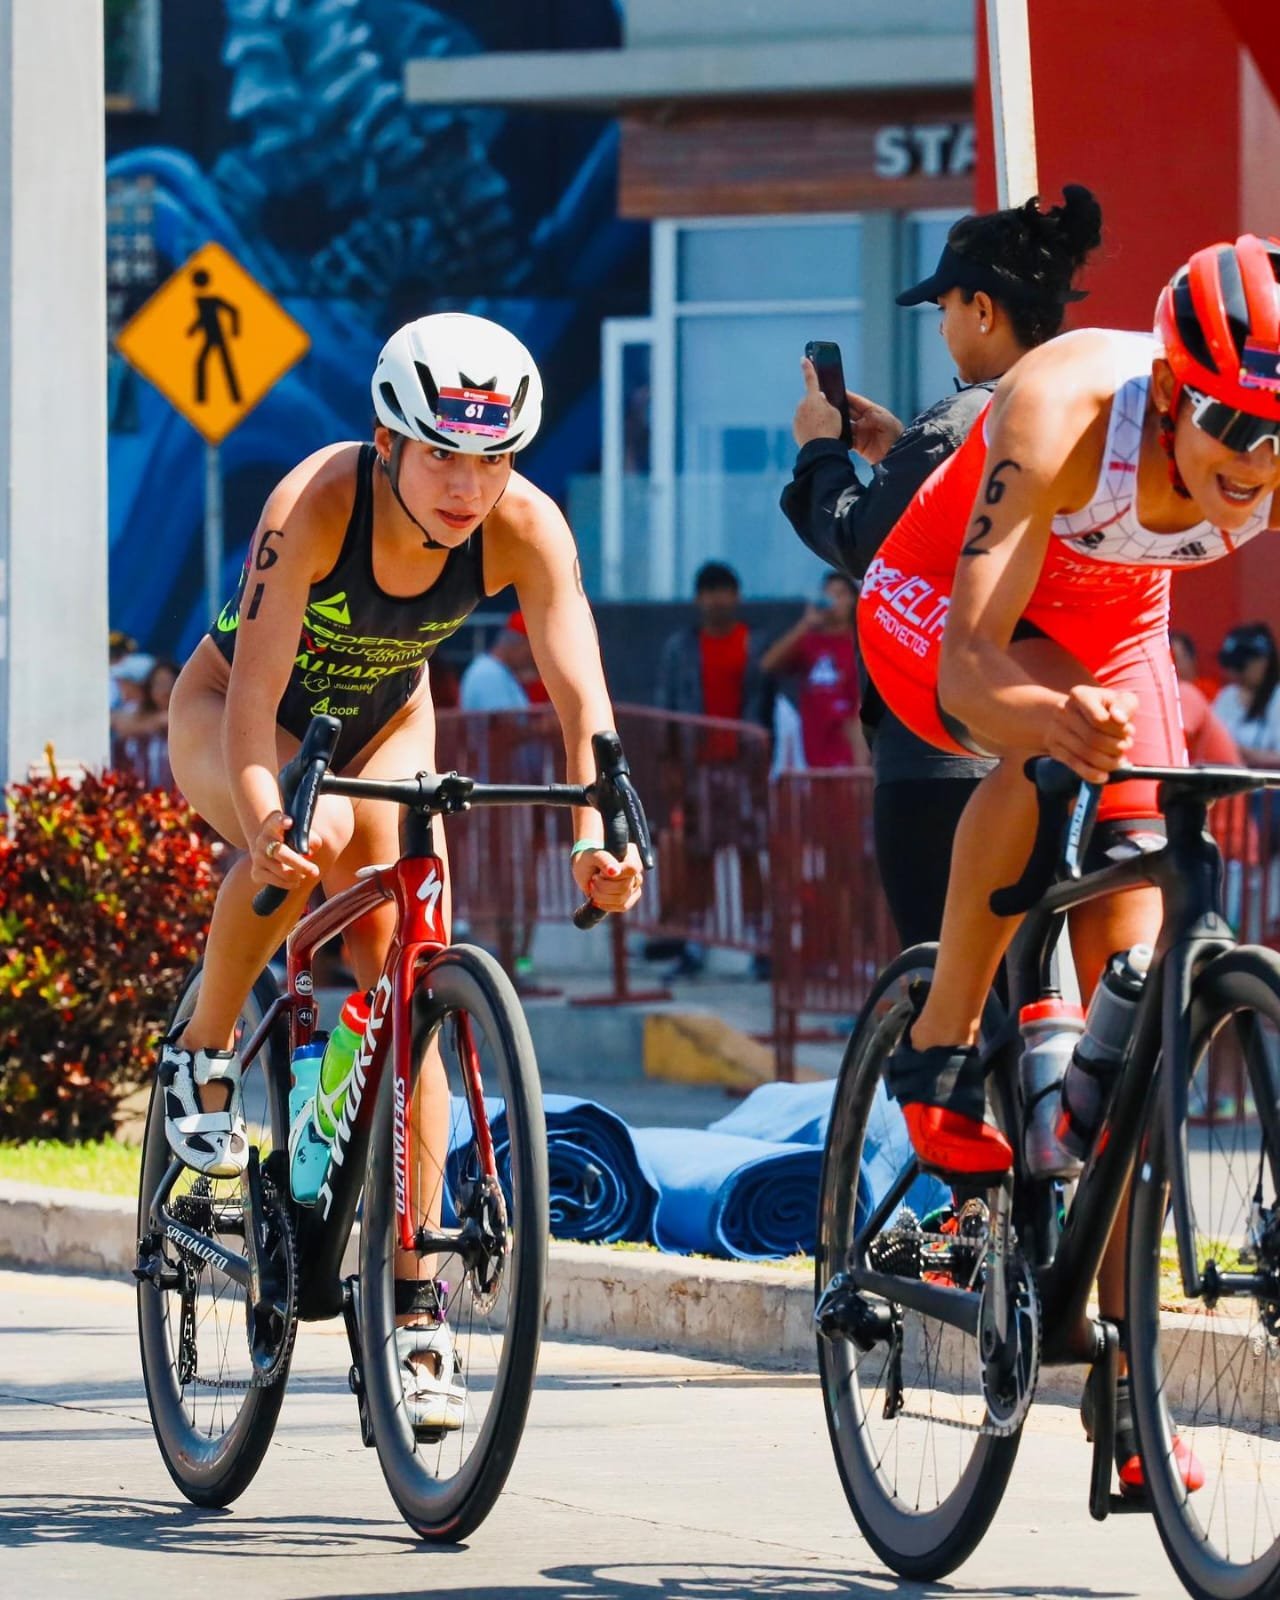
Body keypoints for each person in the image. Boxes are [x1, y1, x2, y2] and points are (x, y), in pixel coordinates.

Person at [163, 312, 645, 1432]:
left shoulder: (523, 525)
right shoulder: (315, 502)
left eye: (493, 459)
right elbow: (245, 712)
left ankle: (415, 1298)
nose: (468, 487)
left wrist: (596, 830)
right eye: (442, 455)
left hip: (386, 720)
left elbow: (582, 699)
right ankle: (200, 1050)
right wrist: (268, 815)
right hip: (238, 710)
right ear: (386, 441)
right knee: (304, 851)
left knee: (408, 963)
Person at [857, 232, 1280, 1495]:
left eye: (1278, 433)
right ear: (1166, 392)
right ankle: (940, 1045)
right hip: (945, 613)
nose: (1251, 462)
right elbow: (967, 664)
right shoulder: (1055, 411)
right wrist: (1045, 717)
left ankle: (1121, 1394)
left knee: (1142, 986)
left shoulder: (1258, 445)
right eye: (1227, 427)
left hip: (1112, 627)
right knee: (1040, 758)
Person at [781, 186, 1103, 947]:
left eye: (945, 307)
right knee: (1030, 997)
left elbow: (858, 539)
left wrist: (818, 450)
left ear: (983, 311)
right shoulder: (1078, 408)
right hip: (1057, 736)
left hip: (943, 751)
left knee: (944, 977)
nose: (943, 324)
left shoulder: (962, 420)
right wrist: (898, 453)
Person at [654, 560, 766, 979]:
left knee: (751, 855)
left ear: (736, 597)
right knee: (696, 858)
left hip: (744, 770)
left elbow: (766, 706)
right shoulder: (680, 648)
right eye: (710, 592)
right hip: (696, 767)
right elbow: (667, 708)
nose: (718, 600)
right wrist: (669, 767)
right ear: (699, 599)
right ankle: (695, 943)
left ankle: (760, 944)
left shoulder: (754, 645)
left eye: (725, 591)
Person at [760, 571, 869, 767]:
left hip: (847, 754)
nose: (833, 600)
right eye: (828, 593)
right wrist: (806, 624)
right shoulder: (809, 642)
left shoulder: (861, 644)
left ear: (853, 600)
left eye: (841, 593)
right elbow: (768, 664)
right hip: (812, 752)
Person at [1213, 622, 1280, 766]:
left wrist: (1242, 753)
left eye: (1240, 667)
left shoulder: (1277, 698)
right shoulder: (1227, 696)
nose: (1233, 673)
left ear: (1263, 662)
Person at [458, 612, 534, 712]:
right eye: (529, 650)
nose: (531, 658)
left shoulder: (499, 670)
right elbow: (501, 724)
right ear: (518, 644)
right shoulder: (488, 673)